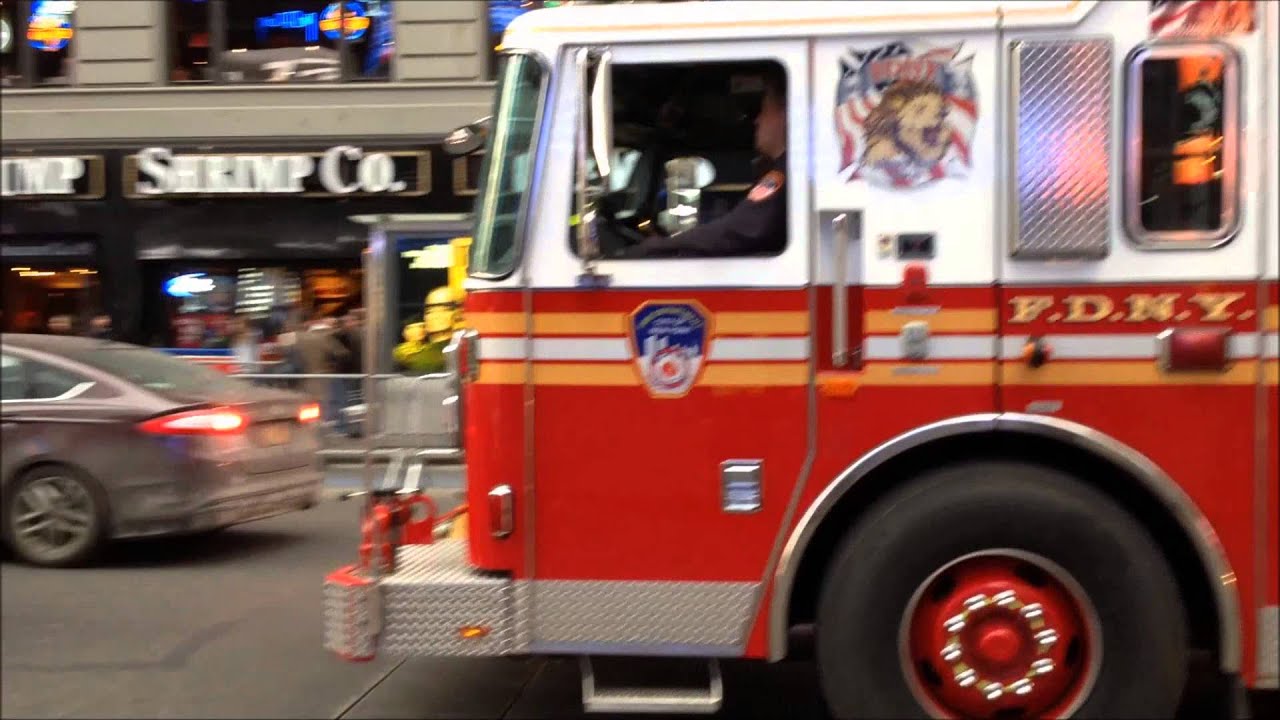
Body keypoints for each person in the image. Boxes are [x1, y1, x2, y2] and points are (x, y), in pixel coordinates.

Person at [619, 68, 788, 258]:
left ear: (785, 114)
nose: (757, 120)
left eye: (764, 109)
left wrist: (658, 247)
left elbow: (737, 230)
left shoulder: (783, 175)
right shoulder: (787, 170)